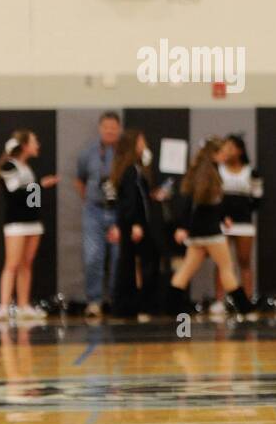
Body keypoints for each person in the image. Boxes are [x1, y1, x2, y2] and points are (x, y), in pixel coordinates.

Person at [166, 138, 256, 317]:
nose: (226, 154)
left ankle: (170, 306)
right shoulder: (208, 175)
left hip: (198, 232)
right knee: (226, 267)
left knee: (186, 269)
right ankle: (244, 307)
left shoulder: (203, 172)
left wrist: (223, 217)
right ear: (214, 154)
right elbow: (193, 203)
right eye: (222, 151)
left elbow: (212, 203)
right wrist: (182, 227)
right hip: (210, 232)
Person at [0, 131, 60, 321]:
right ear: (24, 145)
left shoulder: (27, 168)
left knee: (26, 264)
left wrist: (38, 188)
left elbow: (33, 201)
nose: (37, 144)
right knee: (12, 264)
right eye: (34, 141)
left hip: (32, 223)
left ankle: (23, 306)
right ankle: (4, 307)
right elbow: (14, 195)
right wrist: (39, 185)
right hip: (16, 223)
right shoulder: (9, 166)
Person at [74, 111, 122, 317]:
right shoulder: (87, 154)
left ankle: (114, 299)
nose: (110, 131)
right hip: (94, 210)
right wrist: (89, 200)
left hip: (118, 211)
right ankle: (94, 301)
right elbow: (80, 180)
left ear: (119, 129)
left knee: (118, 257)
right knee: (93, 256)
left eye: (114, 127)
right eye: (106, 127)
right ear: (100, 128)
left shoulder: (124, 153)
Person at [109, 129, 158, 320]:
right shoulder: (130, 170)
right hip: (132, 222)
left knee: (130, 262)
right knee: (129, 263)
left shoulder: (134, 168)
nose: (145, 145)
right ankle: (127, 305)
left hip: (133, 221)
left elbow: (138, 196)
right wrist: (136, 224)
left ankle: (129, 305)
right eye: (142, 141)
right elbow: (129, 200)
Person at [213, 134, 262, 312]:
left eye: (232, 147)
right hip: (223, 223)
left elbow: (257, 198)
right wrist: (222, 216)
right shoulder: (218, 170)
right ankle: (219, 301)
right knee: (223, 262)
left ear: (240, 150)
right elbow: (214, 197)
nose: (228, 150)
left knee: (244, 261)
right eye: (225, 147)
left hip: (244, 223)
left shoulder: (251, 172)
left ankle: (247, 300)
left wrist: (244, 212)